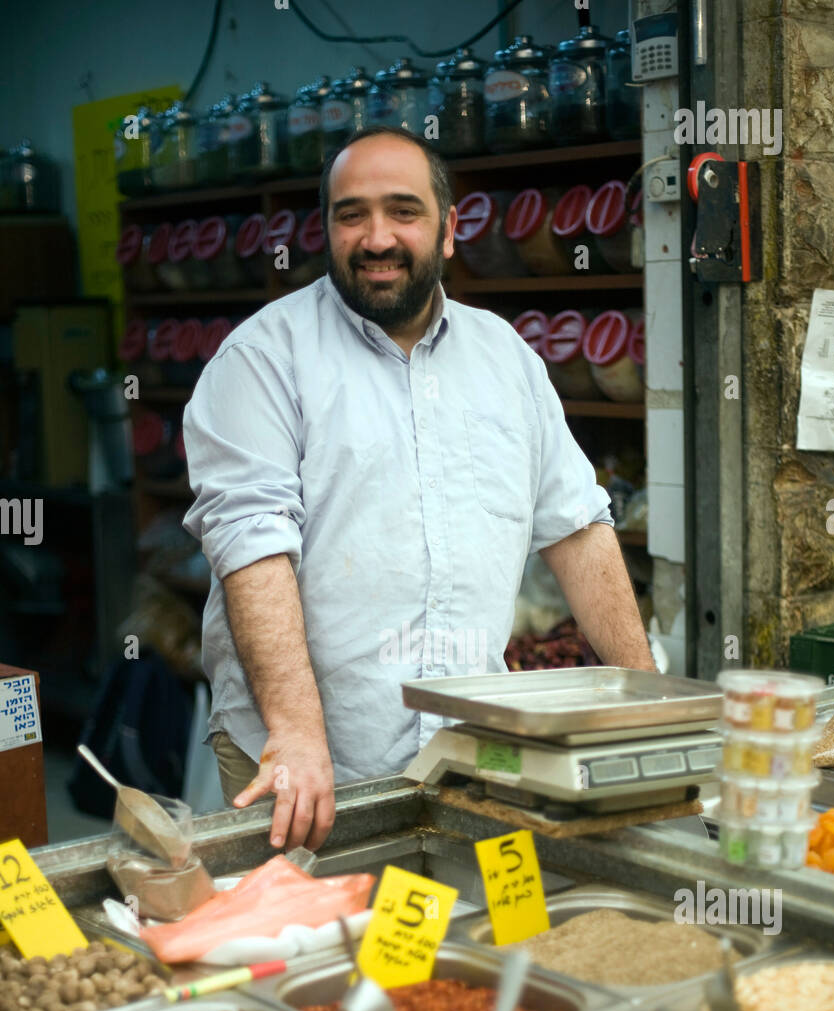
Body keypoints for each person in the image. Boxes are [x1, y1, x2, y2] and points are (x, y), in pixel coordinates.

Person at [183, 126, 655, 854]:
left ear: (449, 230)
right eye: (352, 214)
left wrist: (647, 703)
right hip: (309, 766)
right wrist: (299, 733)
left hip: (474, 753)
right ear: (328, 228)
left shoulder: (507, 358)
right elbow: (253, 548)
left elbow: (578, 528)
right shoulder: (261, 358)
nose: (377, 237)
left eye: (403, 210)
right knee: (324, 964)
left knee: (484, 954)